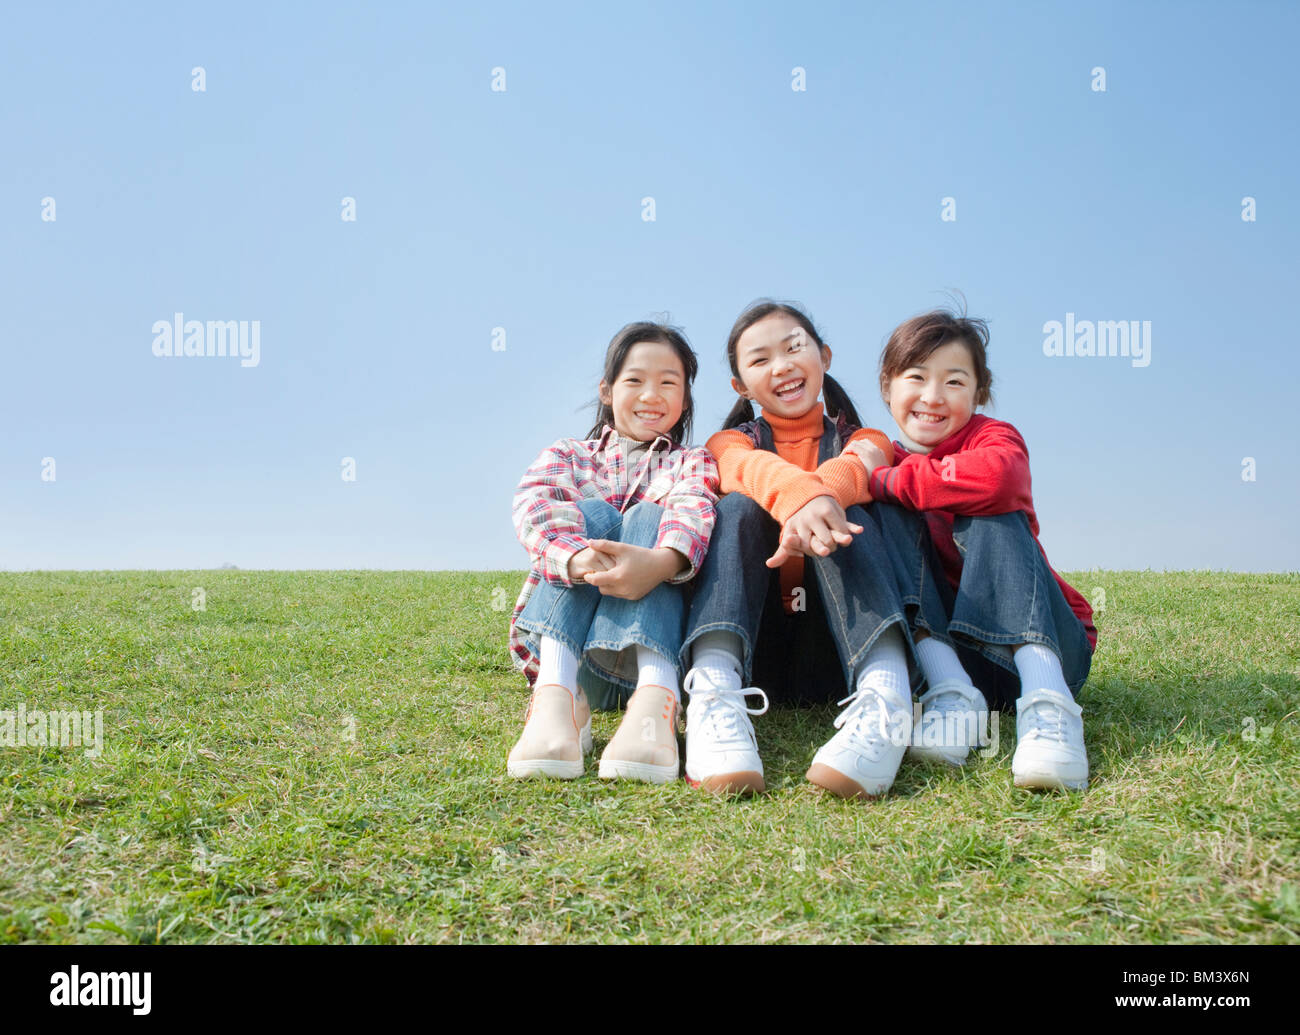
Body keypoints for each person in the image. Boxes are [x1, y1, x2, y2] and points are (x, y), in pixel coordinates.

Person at [679, 300, 938, 800]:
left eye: (794, 348)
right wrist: (801, 499)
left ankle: (887, 695)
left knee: (854, 512)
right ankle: (713, 691)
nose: (781, 366)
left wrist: (822, 501)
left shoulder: (865, 438)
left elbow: (859, 466)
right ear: (740, 386)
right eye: (759, 360)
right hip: (758, 650)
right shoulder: (729, 442)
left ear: (824, 355)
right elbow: (742, 468)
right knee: (737, 508)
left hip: (839, 649)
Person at [844, 305, 1097, 791]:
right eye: (916, 377)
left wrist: (888, 481)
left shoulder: (991, 437)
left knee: (989, 504)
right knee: (883, 514)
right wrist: (876, 478)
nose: (933, 397)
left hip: (1045, 646)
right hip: (958, 659)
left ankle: (1050, 706)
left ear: (980, 393)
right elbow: (848, 473)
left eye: (955, 382)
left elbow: (998, 478)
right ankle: (951, 695)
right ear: (887, 387)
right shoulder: (879, 454)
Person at [506, 321, 719, 783]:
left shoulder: (693, 461)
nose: (651, 394)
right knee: (594, 515)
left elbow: (695, 512)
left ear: (684, 398)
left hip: (652, 651)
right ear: (607, 390)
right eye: (635, 380)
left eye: (669, 382)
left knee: (649, 517)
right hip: (580, 664)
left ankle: (655, 705)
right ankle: (557, 700)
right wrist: (577, 560)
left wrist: (659, 564)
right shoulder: (567, 455)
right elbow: (533, 509)